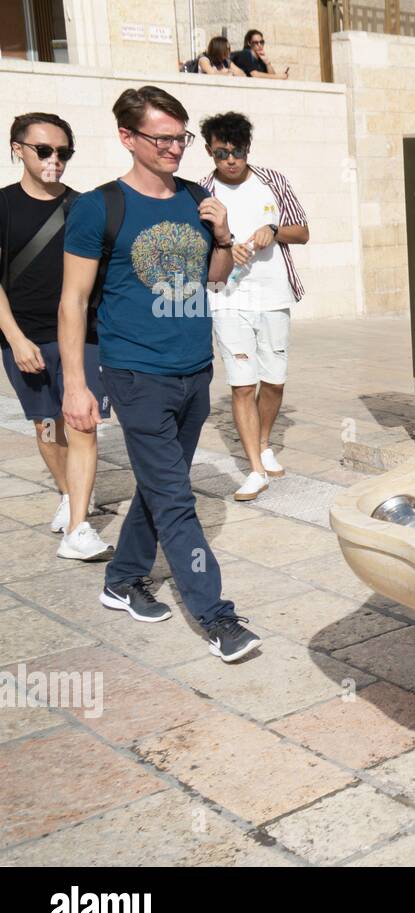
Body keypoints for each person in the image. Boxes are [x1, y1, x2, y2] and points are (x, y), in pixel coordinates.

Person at [59, 85, 262, 663]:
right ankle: (217, 616)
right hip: (135, 373)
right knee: (176, 498)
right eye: (162, 138)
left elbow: (215, 276)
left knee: (158, 484)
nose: (176, 148)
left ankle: (123, 580)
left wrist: (222, 235)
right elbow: (72, 302)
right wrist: (77, 385)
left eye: (181, 137)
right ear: (128, 137)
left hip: (194, 370)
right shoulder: (99, 207)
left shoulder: (197, 197)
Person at [1, 112, 113, 560]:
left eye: (63, 152)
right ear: (17, 150)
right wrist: (15, 339)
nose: (55, 160)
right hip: (23, 338)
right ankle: (69, 495)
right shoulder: (3, 206)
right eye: (44, 150)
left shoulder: (84, 206)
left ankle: (79, 528)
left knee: (83, 423)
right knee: (47, 427)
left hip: (81, 338)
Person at [198, 111, 310, 503]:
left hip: (274, 294)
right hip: (226, 298)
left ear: (248, 148)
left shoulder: (273, 181)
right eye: (221, 152)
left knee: (274, 381)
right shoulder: (200, 191)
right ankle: (255, 470)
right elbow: (197, 249)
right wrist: (226, 247)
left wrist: (274, 231)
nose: (230, 159)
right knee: (242, 385)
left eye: (237, 151)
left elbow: (303, 231)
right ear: (210, 152)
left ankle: (264, 443)